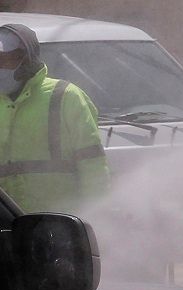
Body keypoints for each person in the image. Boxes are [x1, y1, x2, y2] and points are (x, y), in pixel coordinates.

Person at [0, 22, 108, 213]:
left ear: (27, 60)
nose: (0, 67)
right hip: (8, 229)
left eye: (6, 60)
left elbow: (93, 167)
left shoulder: (66, 97)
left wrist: (96, 219)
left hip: (59, 225)